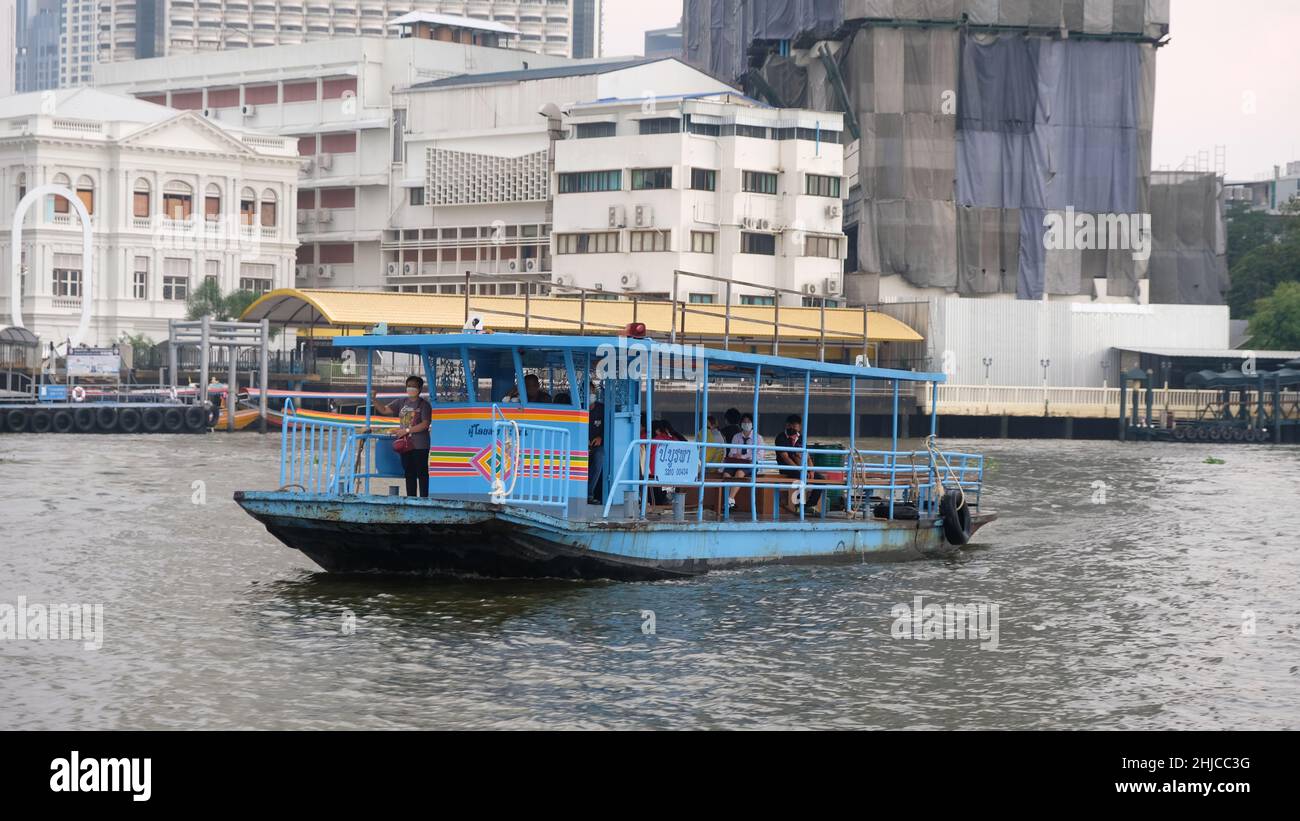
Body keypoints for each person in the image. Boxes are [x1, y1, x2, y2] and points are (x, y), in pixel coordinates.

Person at [373, 376, 432, 498]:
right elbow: (384, 410)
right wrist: (373, 399)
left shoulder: (424, 405)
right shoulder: (401, 402)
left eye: (414, 386)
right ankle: (411, 499)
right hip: (405, 445)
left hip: (420, 445)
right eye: (409, 385)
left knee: (422, 473)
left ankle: (424, 499)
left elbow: (425, 424)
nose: (411, 388)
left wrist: (407, 430)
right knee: (409, 473)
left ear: (420, 388)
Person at [775, 414, 822, 514]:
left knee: (821, 479)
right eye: (790, 426)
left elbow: (807, 456)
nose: (792, 428)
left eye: (795, 426)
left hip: (801, 467)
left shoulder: (800, 438)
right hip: (786, 468)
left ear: (799, 427)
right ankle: (798, 505)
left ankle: (810, 505)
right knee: (801, 476)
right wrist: (800, 469)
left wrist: (811, 470)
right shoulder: (781, 437)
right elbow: (786, 457)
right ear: (786, 425)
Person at [722, 413, 764, 510]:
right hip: (735, 462)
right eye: (744, 422)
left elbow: (759, 455)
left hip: (750, 464)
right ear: (740, 424)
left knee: (740, 472)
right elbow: (731, 452)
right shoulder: (736, 437)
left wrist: (744, 456)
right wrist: (735, 455)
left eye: (748, 422)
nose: (746, 424)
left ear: (752, 424)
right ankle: (730, 501)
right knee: (726, 474)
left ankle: (729, 499)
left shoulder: (758, 438)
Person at [587, 398, 605, 505]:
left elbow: (608, 427)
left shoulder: (601, 409)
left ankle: (589, 494)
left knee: (599, 459)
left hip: (597, 446)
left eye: (591, 392)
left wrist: (600, 438)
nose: (590, 395)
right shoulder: (579, 406)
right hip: (579, 446)